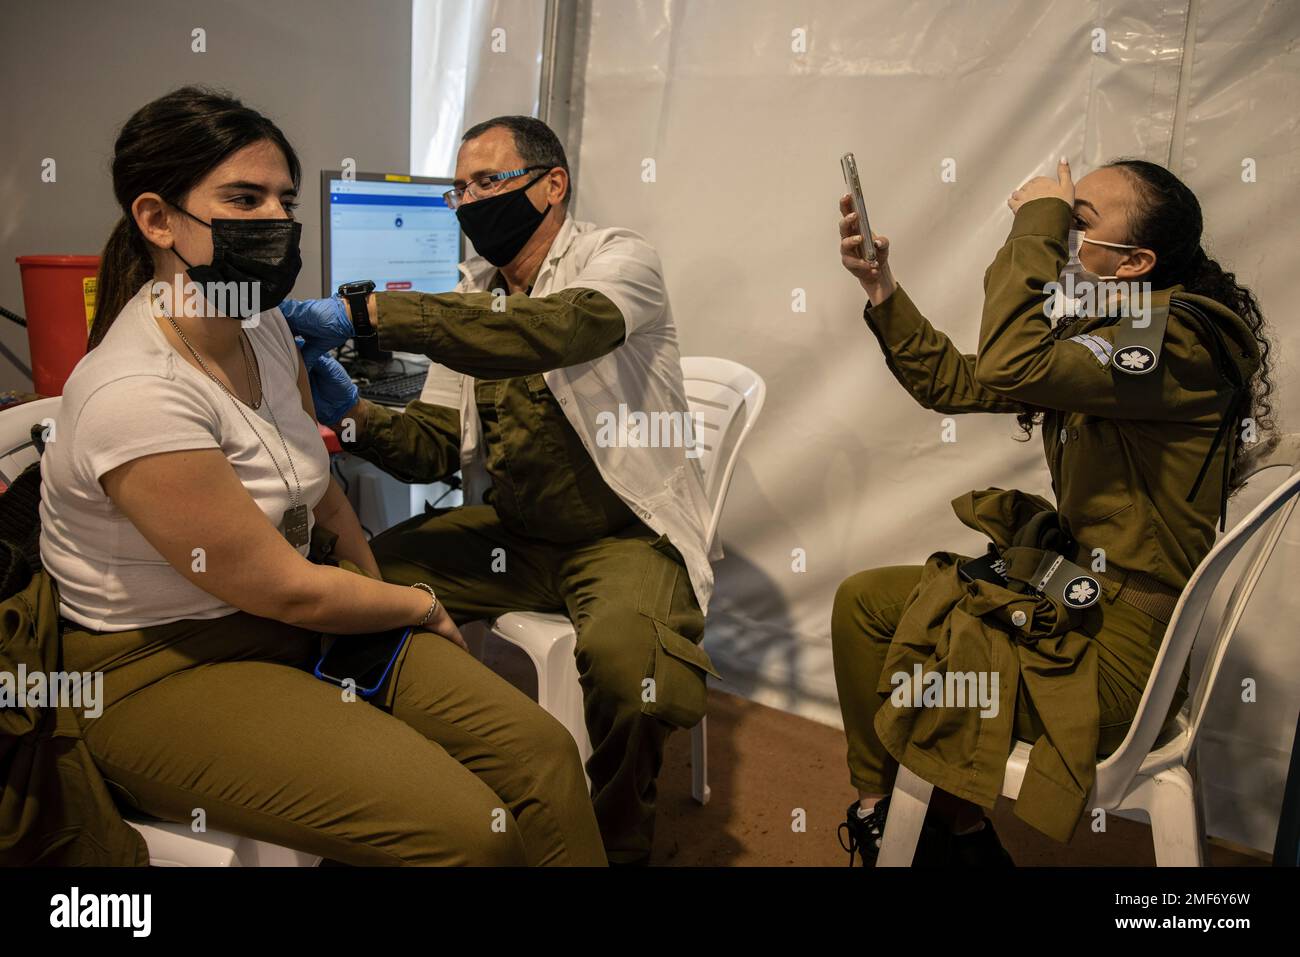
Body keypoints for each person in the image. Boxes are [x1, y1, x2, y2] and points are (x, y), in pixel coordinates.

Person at [39, 86, 606, 866]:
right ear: (157, 217)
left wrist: (386, 615)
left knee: (543, 754)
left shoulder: (263, 325)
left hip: (299, 608)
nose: (275, 219)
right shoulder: (132, 395)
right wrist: (416, 604)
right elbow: (286, 587)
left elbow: (329, 499)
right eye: (243, 198)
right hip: (166, 660)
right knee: (471, 832)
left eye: (284, 199)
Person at [283, 115, 719, 865]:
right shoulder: (472, 292)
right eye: (461, 188)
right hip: (515, 535)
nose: (471, 199)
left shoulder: (618, 261)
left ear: (554, 186)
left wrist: (371, 313)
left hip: (621, 535)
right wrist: (348, 410)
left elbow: (555, 330)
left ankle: (614, 843)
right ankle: (412, 784)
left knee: (630, 674)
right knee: (356, 583)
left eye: (489, 181)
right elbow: (430, 448)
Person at [830, 157, 1275, 865]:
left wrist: (1034, 224)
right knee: (865, 604)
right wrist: (879, 286)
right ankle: (896, 816)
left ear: (1134, 262)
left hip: (1119, 660)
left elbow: (1013, 364)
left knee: (927, 637)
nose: (1062, 227)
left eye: (1077, 220)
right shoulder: (1118, 329)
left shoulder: (1177, 341)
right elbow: (955, 382)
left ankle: (933, 829)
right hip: (1076, 602)